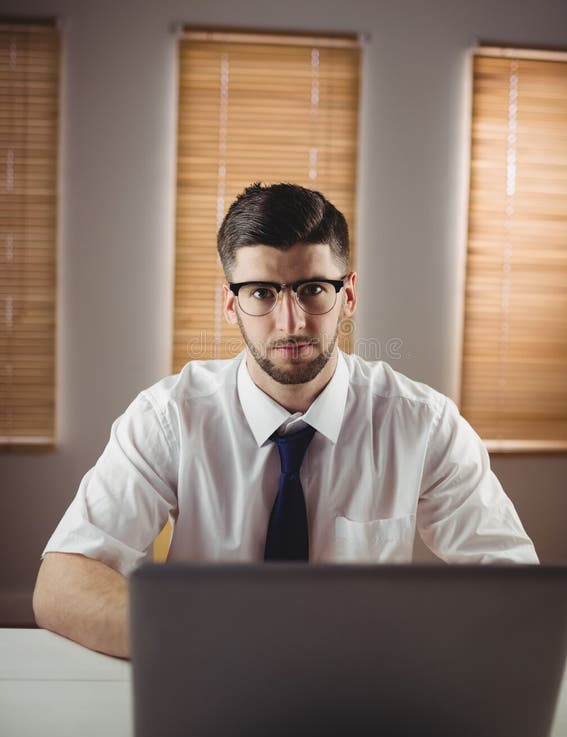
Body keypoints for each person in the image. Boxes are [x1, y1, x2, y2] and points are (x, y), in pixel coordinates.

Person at [33, 182, 538, 658]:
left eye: (313, 289)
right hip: (208, 680)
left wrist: (408, 644)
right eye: (262, 292)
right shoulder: (167, 418)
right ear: (231, 304)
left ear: (349, 294)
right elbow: (63, 584)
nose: (291, 322)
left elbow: (517, 588)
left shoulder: (423, 423)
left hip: (364, 692)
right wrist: (202, 643)